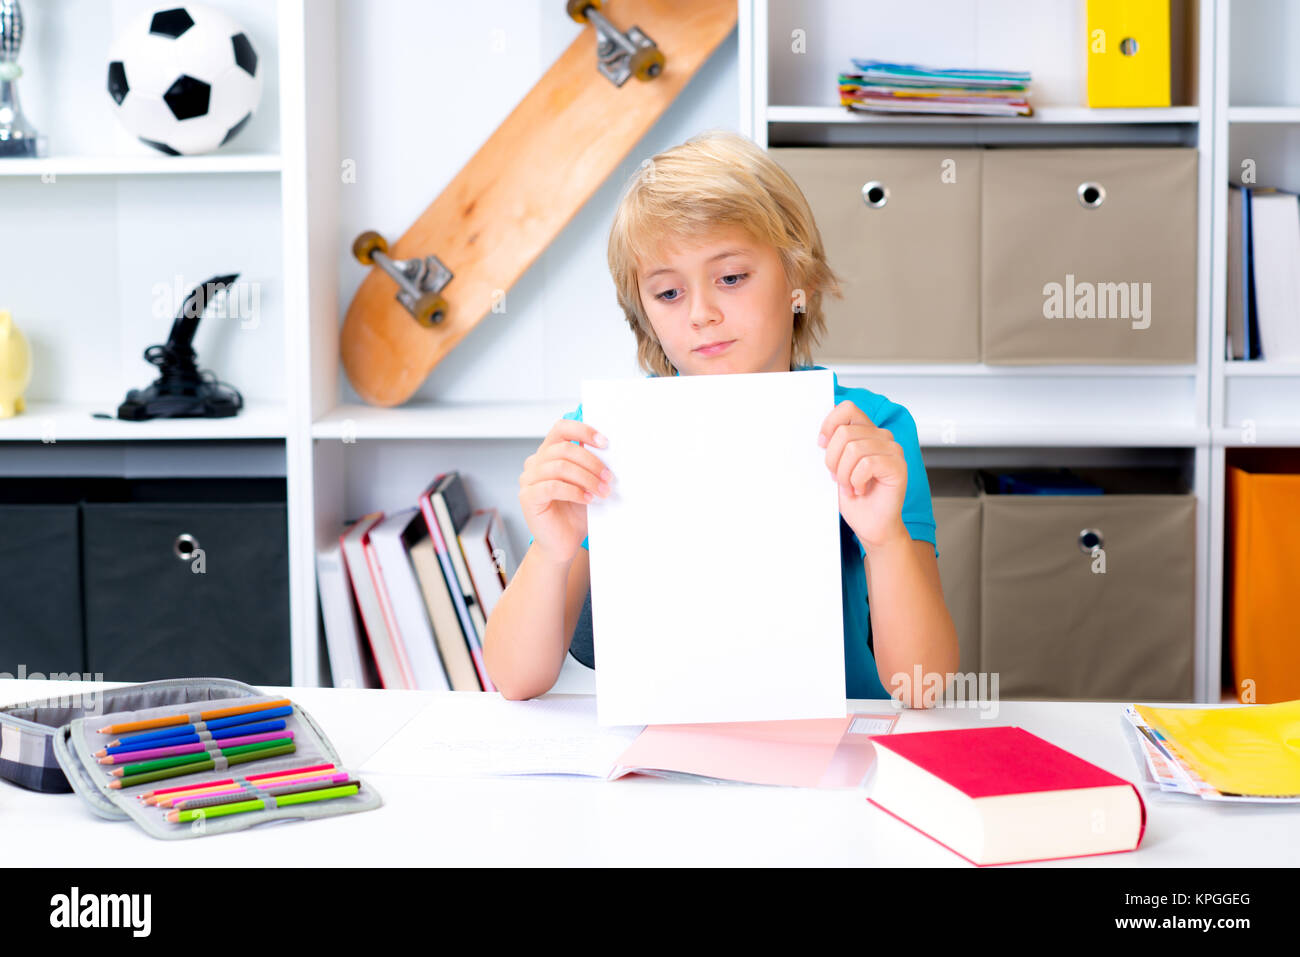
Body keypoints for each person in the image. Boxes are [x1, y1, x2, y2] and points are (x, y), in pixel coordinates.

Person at [484, 129, 958, 707]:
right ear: (644, 315)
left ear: (797, 280)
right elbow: (515, 679)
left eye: (731, 278)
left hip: (832, 747)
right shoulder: (606, 434)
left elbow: (923, 686)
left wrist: (883, 540)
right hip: (662, 754)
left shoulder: (870, 432)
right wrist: (551, 550)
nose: (702, 314)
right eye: (668, 294)